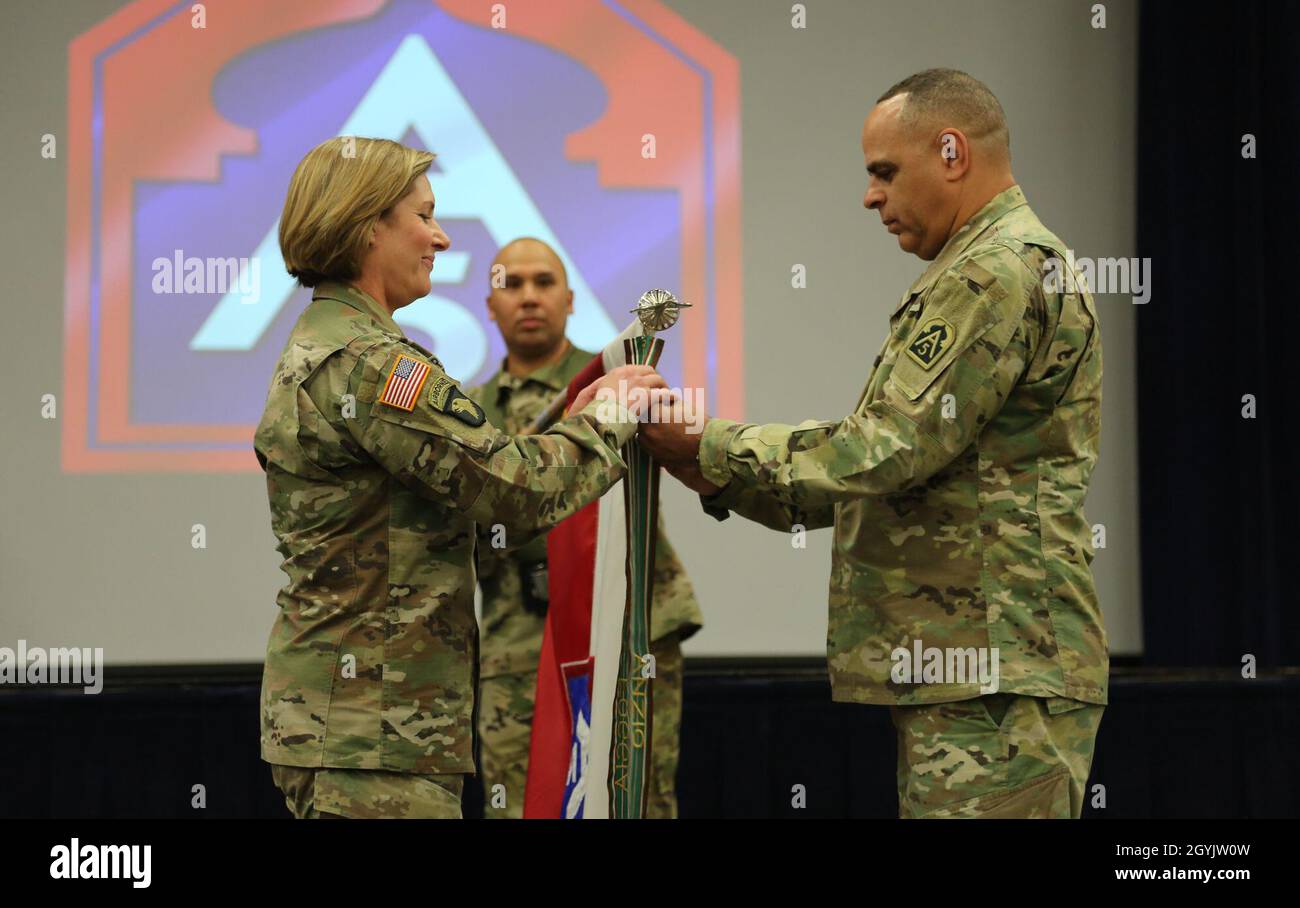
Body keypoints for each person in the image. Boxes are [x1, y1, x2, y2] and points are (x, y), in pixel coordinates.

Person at [641, 69, 1107, 819]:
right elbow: (895, 471)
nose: (871, 196)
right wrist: (709, 467)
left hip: (993, 668)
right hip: (978, 662)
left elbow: (888, 448)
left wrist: (713, 444)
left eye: (885, 172)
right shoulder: (987, 265)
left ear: (951, 151)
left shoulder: (994, 270)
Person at [254, 137, 667, 819]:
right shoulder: (372, 365)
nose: (441, 238)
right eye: (423, 216)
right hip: (375, 730)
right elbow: (511, 489)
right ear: (367, 227)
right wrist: (611, 416)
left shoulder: (324, 346)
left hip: (355, 723)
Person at [470, 237, 703, 819]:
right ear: (489, 304)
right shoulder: (467, 413)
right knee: (526, 806)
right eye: (511, 284)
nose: (528, 297)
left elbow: (683, 465)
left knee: (637, 802)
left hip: (624, 631)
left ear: (570, 300)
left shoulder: (615, 386)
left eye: (544, 283)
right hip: (516, 646)